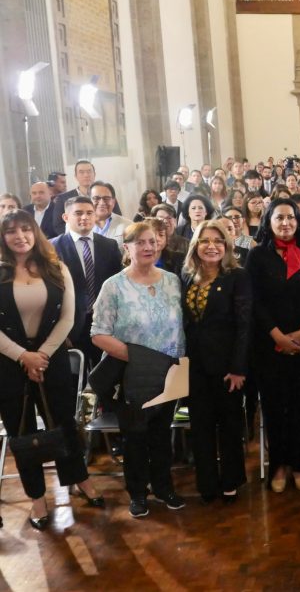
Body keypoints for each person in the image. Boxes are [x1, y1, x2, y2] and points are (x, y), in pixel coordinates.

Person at [0, 211, 104, 529]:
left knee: (63, 423)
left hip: (52, 360)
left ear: (35, 233)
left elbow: (68, 318)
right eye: (11, 231)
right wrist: (24, 357)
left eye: (25, 229)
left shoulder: (56, 267)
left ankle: (81, 481)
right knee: (23, 432)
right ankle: (37, 499)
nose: (20, 236)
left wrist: (41, 355)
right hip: (8, 364)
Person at [92, 221, 187, 518]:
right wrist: (137, 358)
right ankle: (137, 492)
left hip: (170, 373)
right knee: (135, 437)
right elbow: (98, 333)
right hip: (132, 375)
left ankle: (163, 487)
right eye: (140, 243)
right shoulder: (114, 286)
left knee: (162, 434)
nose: (148, 247)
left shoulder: (172, 280)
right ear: (127, 248)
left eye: (152, 241)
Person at [245, 198, 300, 492]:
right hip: (269, 344)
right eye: (279, 218)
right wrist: (277, 335)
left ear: (298, 221)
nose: (286, 223)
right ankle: (279, 464)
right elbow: (255, 302)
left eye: (291, 218)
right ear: (269, 222)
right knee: (276, 405)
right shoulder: (257, 257)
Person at [181, 221, 252, 504]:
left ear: (226, 246)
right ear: (195, 246)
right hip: (194, 365)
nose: (211, 246)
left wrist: (238, 368)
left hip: (227, 365)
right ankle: (207, 481)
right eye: (205, 240)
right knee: (200, 424)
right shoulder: (186, 276)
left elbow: (245, 325)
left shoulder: (237, 276)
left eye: (218, 240)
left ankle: (231, 480)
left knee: (229, 424)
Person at [49, 197, 123, 366]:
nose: (85, 217)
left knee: (104, 376)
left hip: (105, 325)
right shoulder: (52, 248)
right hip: (70, 325)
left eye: (89, 213)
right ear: (66, 217)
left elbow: (117, 286)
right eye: (78, 213)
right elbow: (51, 293)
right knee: (75, 380)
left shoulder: (109, 245)